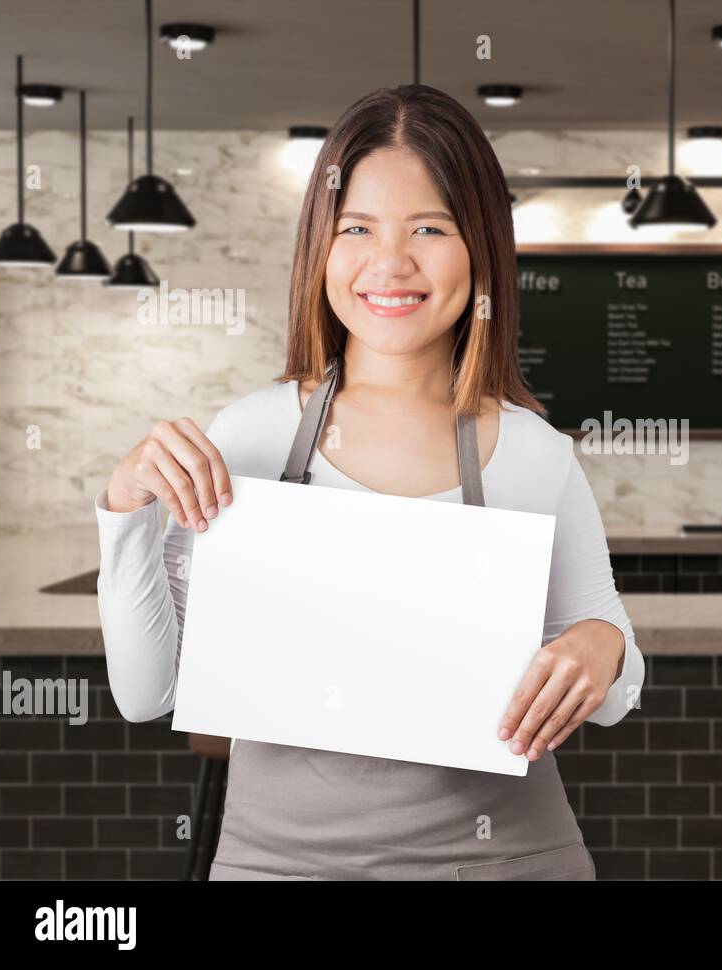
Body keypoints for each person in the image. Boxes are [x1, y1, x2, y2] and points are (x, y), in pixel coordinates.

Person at [93, 84, 644, 880]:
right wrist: (126, 513)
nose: (391, 263)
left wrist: (605, 644)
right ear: (321, 244)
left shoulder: (535, 453)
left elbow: (621, 689)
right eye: (357, 228)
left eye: (430, 227)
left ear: (480, 246)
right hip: (275, 869)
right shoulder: (247, 438)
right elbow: (148, 693)